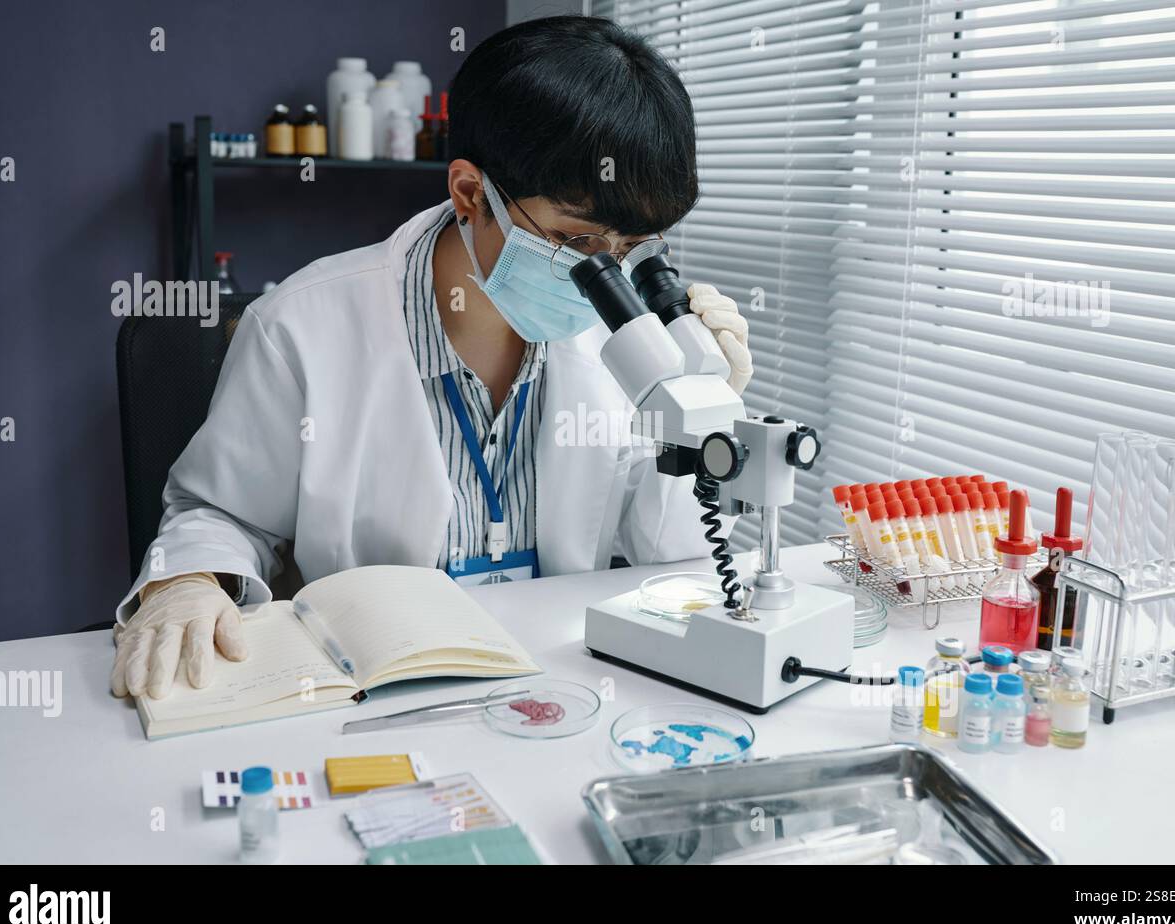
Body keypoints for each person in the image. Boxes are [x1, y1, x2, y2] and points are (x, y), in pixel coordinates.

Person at [111, 16, 753, 700]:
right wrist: (188, 579)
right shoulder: (301, 325)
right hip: (378, 697)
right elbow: (224, 514)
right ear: (471, 194)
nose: (610, 276)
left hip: (562, 686)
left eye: (633, 248)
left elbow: (674, 558)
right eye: (580, 241)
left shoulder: (627, 342)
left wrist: (701, 418)